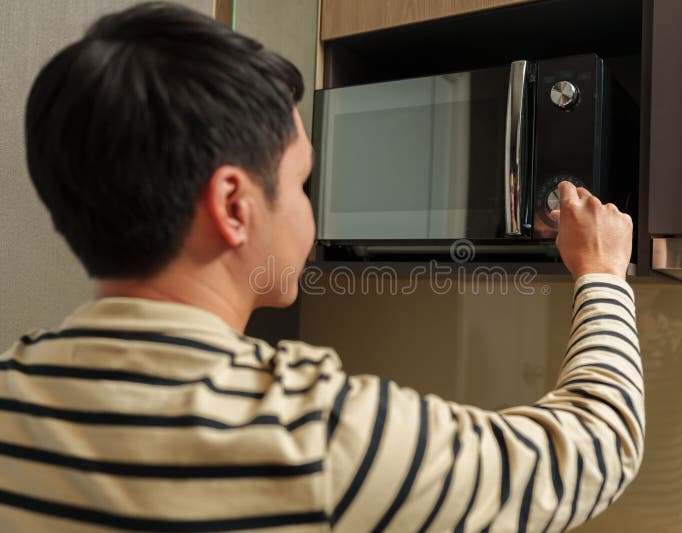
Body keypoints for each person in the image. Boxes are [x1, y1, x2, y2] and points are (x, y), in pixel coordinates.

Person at [1, 2, 643, 531]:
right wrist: (602, 274)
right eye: (303, 183)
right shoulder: (313, 435)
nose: (312, 216)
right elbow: (595, 447)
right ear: (233, 205)